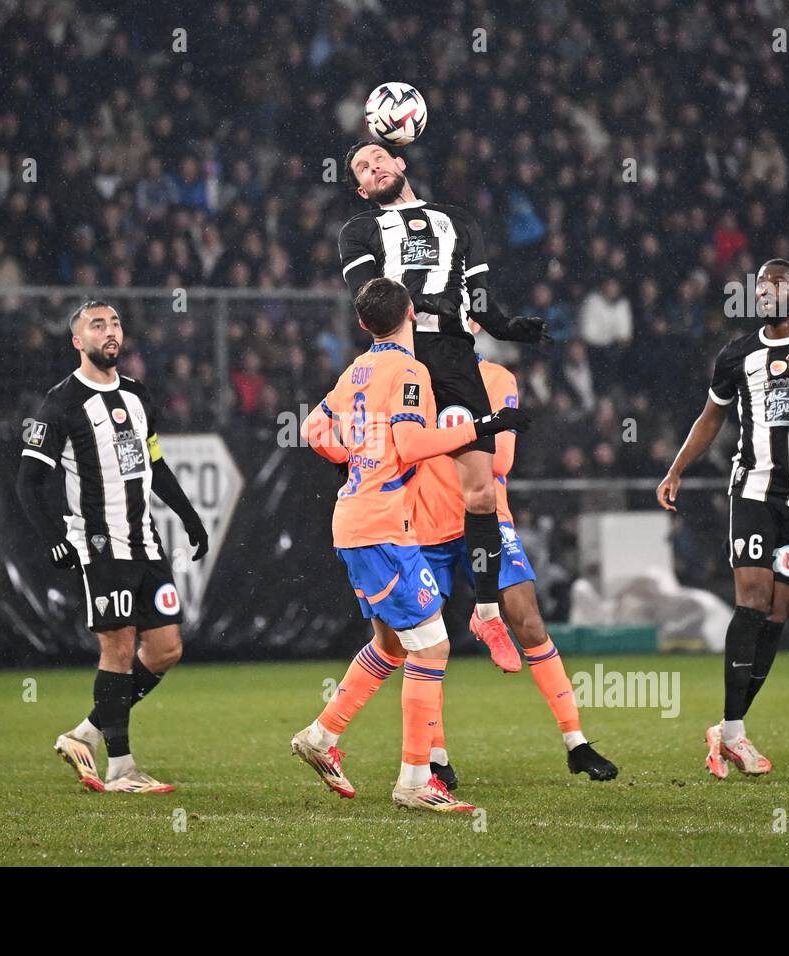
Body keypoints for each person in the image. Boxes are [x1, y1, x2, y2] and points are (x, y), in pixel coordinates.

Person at [290, 277, 530, 812]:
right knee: (433, 646)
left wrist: (356, 454)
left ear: (362, 324)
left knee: (394, 645)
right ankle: (415, 780)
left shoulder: (357, 369)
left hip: (354, 519)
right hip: (381, 526)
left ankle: (321, 736)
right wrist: (483, 425)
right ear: (413, 317)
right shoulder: (410, 370)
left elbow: (312, 429)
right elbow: (412, 443)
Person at [656, 258, 789, 778]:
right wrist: (676, 470)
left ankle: (727, 730)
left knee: (777, 615)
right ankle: (735, 733)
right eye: (762, 286)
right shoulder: (737, 354)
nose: (768, 292)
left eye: (779, 285)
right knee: (752, 601)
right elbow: (711, 417)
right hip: (752, 490)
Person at [339, 141, 552, 669]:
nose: (373, 168)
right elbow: (372, 299)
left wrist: (506, 326)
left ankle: (484, 611)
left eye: (377, 158)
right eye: (362, 169)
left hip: (456, 358)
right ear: (362, 190)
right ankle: (388, 611)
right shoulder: (358, 231)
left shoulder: (457, 221)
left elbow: (477, 296)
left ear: (401, 160)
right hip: (402, 358)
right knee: (394, 484)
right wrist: (429, 303)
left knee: (480, 493)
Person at [15, 301, 208, 794]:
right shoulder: (59, 404)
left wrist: (189, 518)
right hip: (101, 546)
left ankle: (86, 733)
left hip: (146, 543)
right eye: (96, 325)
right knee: (118, 649)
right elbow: (28, 482)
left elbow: (155, 463)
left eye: (115, 323)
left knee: (165, 649)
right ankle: (121, 768)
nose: (110, 332)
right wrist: (54, 538)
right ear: (77, 341)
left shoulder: (139, 395)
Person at [413, 347, 619, 783]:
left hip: (486, 520)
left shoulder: (496, 378)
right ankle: (436, 756)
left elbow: (501, 459)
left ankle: (576, 742)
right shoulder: (412, 375)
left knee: (528, 621)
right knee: (426, 640)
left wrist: (443, 436)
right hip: (425, 525)